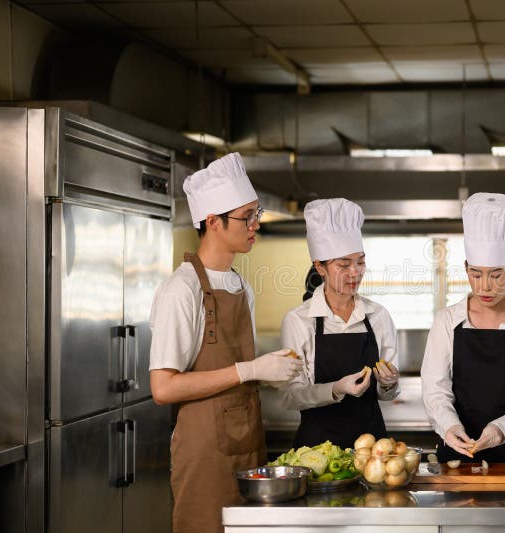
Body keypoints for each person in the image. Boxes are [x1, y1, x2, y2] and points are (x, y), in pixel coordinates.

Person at [149, 153, 301, 533]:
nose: (255, 226)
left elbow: (237, 376)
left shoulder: (239, 286)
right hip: (204, 458)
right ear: (213, 222)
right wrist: (249, 369)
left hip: (249, 447)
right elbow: (163, 387)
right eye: (246, 217)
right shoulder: (180, 290)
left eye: (257, 214)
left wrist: (270, 371)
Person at [421, 193, 505, 464]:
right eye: (475, 274)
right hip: (458, 453)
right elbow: (435, 390)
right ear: (466, 268)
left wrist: (501, 429)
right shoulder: (447, 321)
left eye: (496, 275)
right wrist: (450, 427)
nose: (485, 286)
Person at [280, 198, 399, 449]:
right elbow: (290, 396)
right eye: (343, 264)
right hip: (316, 451)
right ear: (319, 267)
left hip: (372, 450)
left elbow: (386, 395)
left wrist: (388, 383)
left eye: (360, 261)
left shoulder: (379, 316)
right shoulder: (299, 320)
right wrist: (335, 389)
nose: (355, 272)